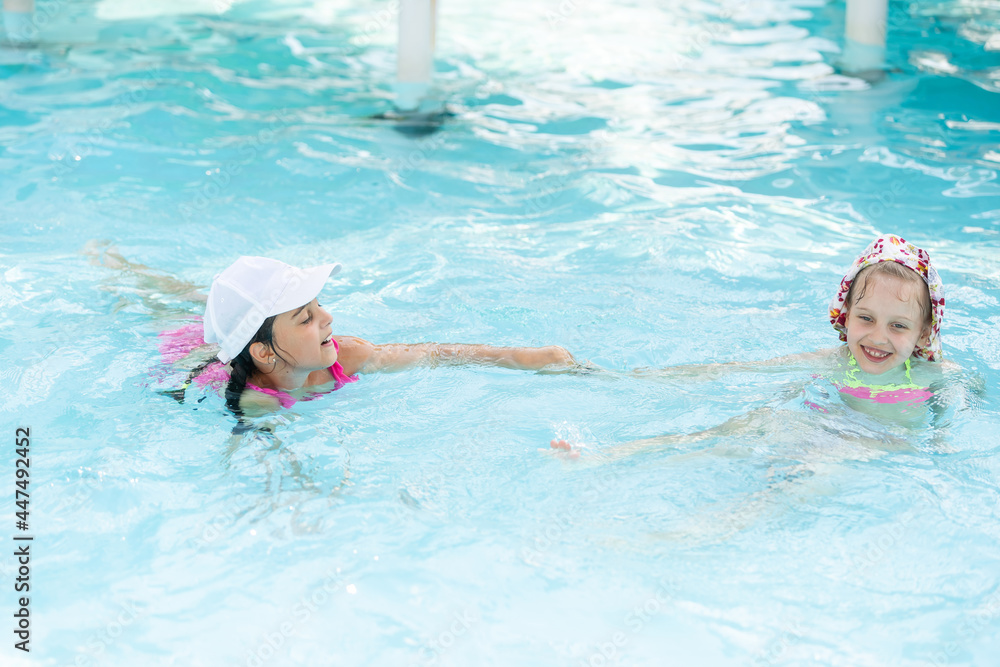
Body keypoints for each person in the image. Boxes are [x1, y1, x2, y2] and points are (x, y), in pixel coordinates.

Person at [551, 233, 952, 457]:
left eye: (897, 325)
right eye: (865, 318)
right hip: (814, 421)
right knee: (738, 428)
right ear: (844, 313)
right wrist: (607, 375)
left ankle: (701, 531)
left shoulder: (937, 377)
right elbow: (732, 371)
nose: (878, 337)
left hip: (872, 444)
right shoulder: (833, 360)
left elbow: (948, 429)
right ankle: (605, 455)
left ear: (922, 332)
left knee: (798, 476)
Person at [155, 255, 574, 416]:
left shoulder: (345, 356)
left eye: (319, 306)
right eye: (306, 318)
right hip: (189, 348)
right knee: (158, 304)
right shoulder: (250, 401)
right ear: (265, 355)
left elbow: (435, 354)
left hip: (239, 342)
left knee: (187, 299)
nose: (328, 319)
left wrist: (528, 358)